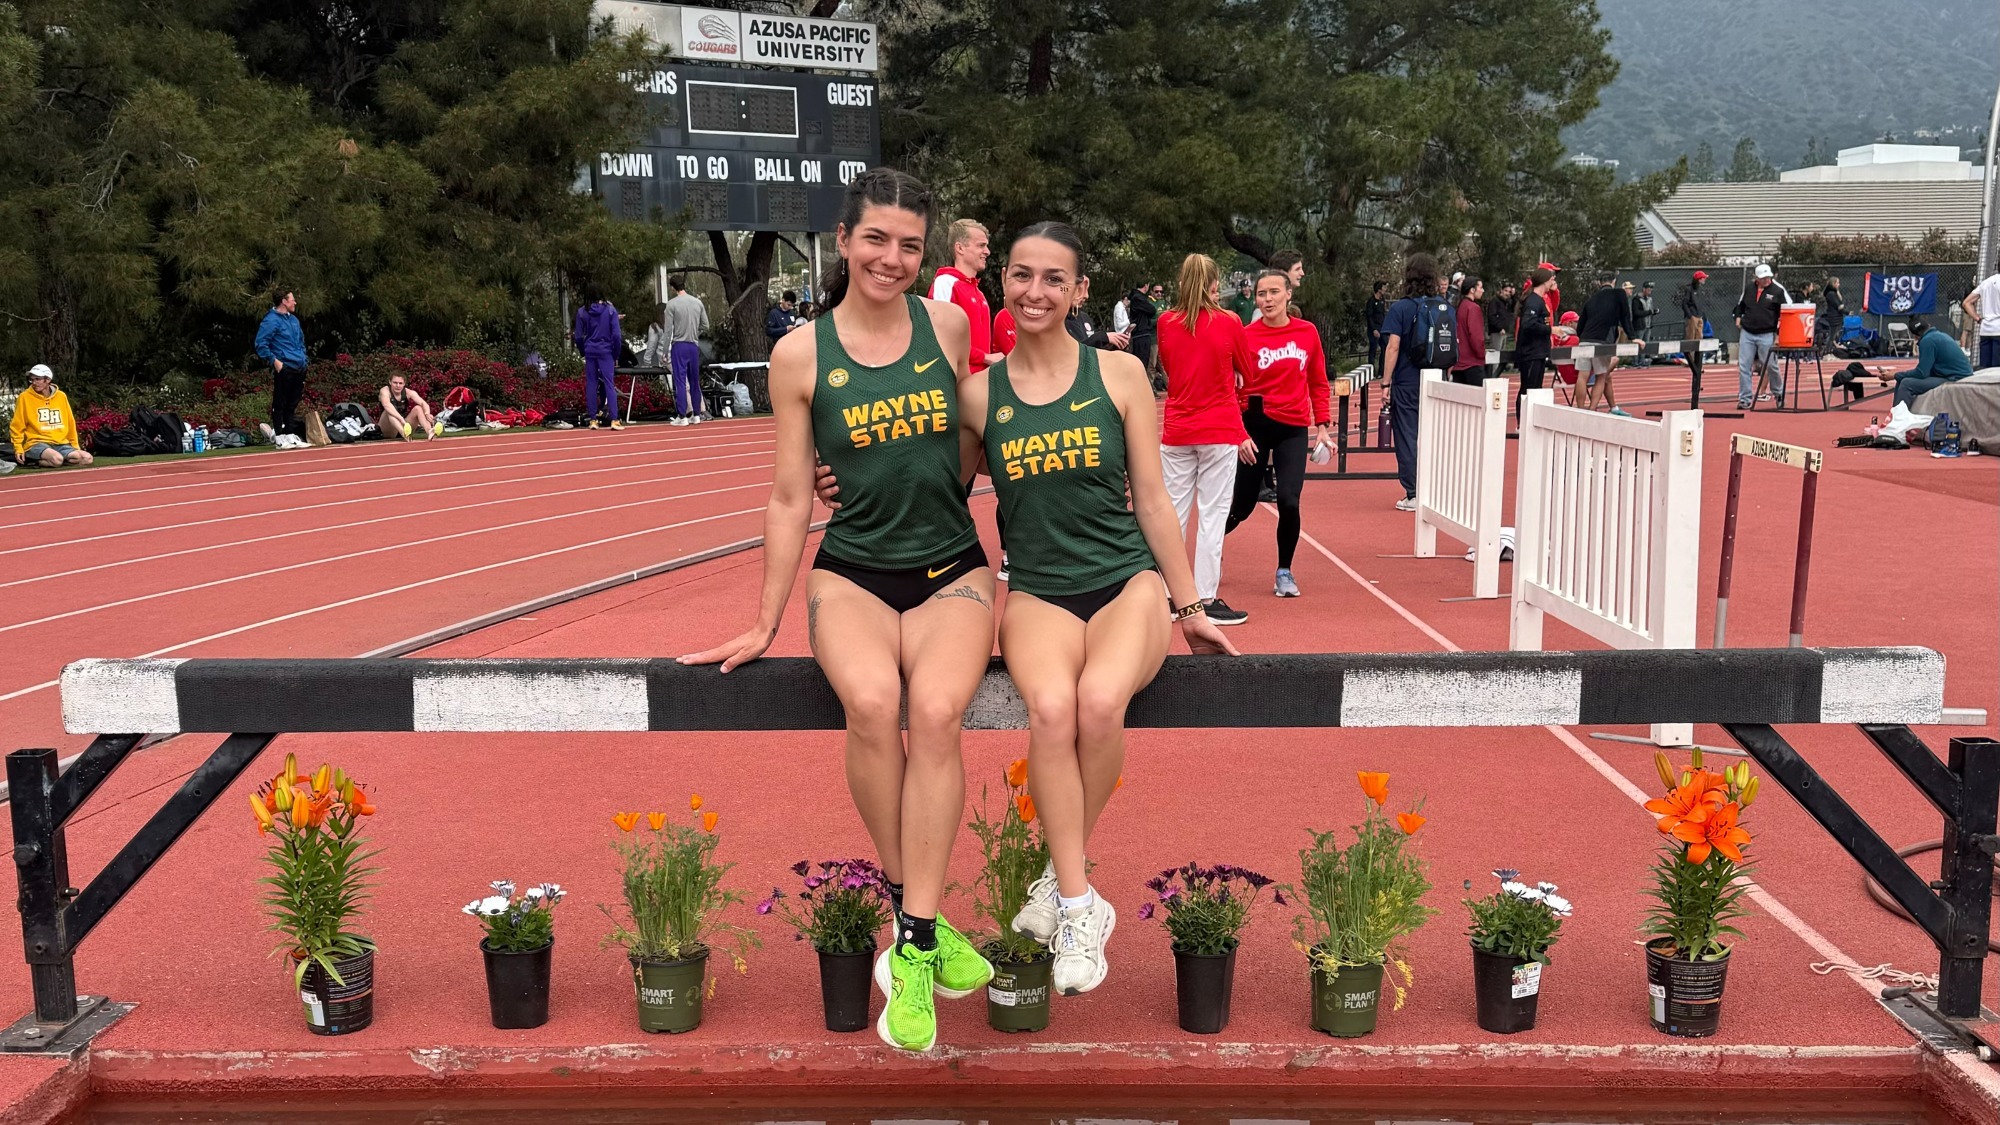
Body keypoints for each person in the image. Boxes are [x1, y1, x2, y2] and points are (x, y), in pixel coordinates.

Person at [680, 168, 995, 1053]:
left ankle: (917, 946)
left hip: (952, 570)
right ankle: (920, 916)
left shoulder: (948, 325)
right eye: (875, 240)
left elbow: (971, 433)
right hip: (851, 570)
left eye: (909, 244)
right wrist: (764, 618)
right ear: (844, 241)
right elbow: (788, 498)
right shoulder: (801, 356)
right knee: (871, 703)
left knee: (936, 712)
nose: (892, 258)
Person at [971, 221, 1237, 996]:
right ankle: (1081, 897)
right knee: (1050, 709)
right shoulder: (980, 394)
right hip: (1039, 589)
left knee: (1097, 700)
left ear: (1080, 291)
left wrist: (1189, 604)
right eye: (1021, 275)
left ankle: (1064, 893)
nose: (1035, 291)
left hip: (1127, 583)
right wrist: (838, 484)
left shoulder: (1118, 376)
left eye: (1055, 279)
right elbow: (931, 489)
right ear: (1004, 284)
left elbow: (1154, 501)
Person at [1157, 253, 1254, 625]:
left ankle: (1170, 594)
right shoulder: (1229, 322)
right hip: (1219, 428)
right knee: (1212, 514)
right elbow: (1248, 370)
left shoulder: (1166, 322)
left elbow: (1168, 365)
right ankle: (1206, 597)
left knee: (1173, 514)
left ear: (1182, 282)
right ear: (1215, 285)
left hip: (1179, 428)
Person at [1225, 269, 1330, 597]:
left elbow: (1317, 380)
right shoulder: (1245, 335)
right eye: (1261, 293)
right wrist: (1238, 432)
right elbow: (1232, 387)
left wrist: (1323, 428)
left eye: (1273, 292)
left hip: (1292, 430)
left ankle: (1284, 571)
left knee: (1288, 499)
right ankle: (1202, 555)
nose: (1267, 299)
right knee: (1241, 507)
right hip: (1254, 428)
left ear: (1288, 295)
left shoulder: (1307, 333)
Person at [1378, 252, 1448, 510]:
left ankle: (1414, 491)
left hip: (1407, 381)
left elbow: (1392, 347)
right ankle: (1436, 488)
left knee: (1407, 436)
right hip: (1436, 380)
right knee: (1434, 435)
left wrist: (1386, 383)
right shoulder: (1442, 306)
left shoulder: (1400, 308)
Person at [930, 220, 1003, 374]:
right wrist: (985, 357)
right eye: (981, 245)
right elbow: (942, 338)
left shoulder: (980, 293)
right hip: (954, 384)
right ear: (960, 248)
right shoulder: (945, 283)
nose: (987, 251)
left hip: (979, 383)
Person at [8, 364, 90, 470]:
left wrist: (74, 444)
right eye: (32, 380)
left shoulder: (61, 396)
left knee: (87, 458)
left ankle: (55, 461)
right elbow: (17, 425)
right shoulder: (24, 397)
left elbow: (69, 422)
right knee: (57, 459)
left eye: (38, 379)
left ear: (48, 380)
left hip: (60, 443)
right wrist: (18, 447)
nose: (34, 382)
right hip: (36, 443)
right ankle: (33, 461)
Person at [255, 288, 309, 440]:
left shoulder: (294, 320)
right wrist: (275, 361)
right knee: (280, 402)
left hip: (299, 366)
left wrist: (304, 359)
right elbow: (261, 344)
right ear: (284, 301)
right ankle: (279, 433)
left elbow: (301, 341)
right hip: (284, 366)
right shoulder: (271, 320)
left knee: (293, 402)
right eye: (292, 299)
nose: (295, 302)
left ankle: (290, 433)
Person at [1734, 264, 1789, 409]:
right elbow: (1741, 305)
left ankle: (1779, 394)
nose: (1766, 280)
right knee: (1744, 366)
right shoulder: (1749, 288)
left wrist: (1778, 335)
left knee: (1771, 365)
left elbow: (1783, 315)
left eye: (1768, 277)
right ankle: (1745, 398)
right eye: (1763, 278)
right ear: (1757, 279)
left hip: (1766, 333)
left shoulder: (1777, 291)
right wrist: (1738, 317)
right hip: (1747, 332)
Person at [1577, 271, 1633, 415]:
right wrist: (1633, 337)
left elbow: (1580, 325)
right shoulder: (1619, 294)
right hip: (1602, 340)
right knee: (1601, 376)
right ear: (1614, 281)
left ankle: (1579, 409)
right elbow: (1625, 316)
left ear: (1599, 282)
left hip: (1585, 339)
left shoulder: (1591, 299)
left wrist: (1582, 338)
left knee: (1582, 376)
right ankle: (1591, 409)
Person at [1886, 318, 1973, 406]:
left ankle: (1900, 417)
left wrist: (1894, 375)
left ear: (1915, 336)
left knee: (1906, 384)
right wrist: (1898, 376)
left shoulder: (1927, 341)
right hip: (1955, 375)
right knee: (1902, 379)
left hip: (1956, 378)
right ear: (1929, 325)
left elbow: (1921, 373)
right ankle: (1897, 411)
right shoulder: (1938, 335)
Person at [572, 290, 624, 429]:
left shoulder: (582, 312)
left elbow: (578, 336)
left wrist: (583, 351)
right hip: (606, 350)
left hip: (590, 350)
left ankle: (593, 419)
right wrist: (616, 354)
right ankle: (614, 419)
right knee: (609, 383)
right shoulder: (610, 310)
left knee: (591, 384)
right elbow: (617, 336)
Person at [665, 275, 709, 426]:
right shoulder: (697, 302)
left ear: (672, 287)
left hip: (679, 345)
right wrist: (695, 333)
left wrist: (665, 351)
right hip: (693, 345)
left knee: (680, 381)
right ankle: (697, 414)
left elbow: (667, 331)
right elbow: (706, 325)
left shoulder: (671, 305)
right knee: (694, 381)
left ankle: (682, 415)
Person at [1513, 268, 1556, 421]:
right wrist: (1551, 329)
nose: (1553, 281)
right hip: (1530, 352)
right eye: (1551, 278)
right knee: (1527, 389)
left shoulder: (1539, 300)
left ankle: (1529, 421)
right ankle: (1521, 422)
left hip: (1538, 352)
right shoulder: (1533, 301)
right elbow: (1528, 325)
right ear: (1544, 281)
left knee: (1535, 389)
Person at [1450, 277, 1488, 387]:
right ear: (1472, 290)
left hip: (1459, 362)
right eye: (1480, 287)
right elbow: (1476, 336)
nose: (1482, 290)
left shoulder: (1460, 306)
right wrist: (1481, 354)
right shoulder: (1473, 308)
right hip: (1472, 363)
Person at [377, 373, 439, 440]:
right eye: (395, 383)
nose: (398, 385)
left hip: (404, 425)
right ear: (390, 382)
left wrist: (427, 413)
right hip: (388, 429)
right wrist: (401, 419)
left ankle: (430, 431)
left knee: (418, 408)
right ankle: (404, 434)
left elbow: (423, 403)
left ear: (404, 384)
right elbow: (386, 405)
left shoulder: (408, 392)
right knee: (389, 411)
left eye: (400, 383)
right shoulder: (385, 391)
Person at [1961, 270, 2000, 369]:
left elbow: (1966, 303)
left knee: (1985, 369)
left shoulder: (1986, 282)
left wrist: (1977, 318)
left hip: (1985, 330)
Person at [1125, 283, 1159, 379]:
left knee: (1144, 364)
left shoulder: (1137, 298)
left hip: (1141, 333)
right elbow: (1152, 310)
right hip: (1141, 334)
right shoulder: (1138, 298)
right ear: (1146, 286)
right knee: (1141, 364)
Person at [1363, 280, 1388, 375]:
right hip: (1374, 328)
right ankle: (1371, 372)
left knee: (1384, 347)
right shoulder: (1371, 301)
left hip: (1382, 327)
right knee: (1373, 349)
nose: (1385, 290)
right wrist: (1373, 329)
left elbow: (1383, 314)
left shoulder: (1382, 300)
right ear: (1378, 289)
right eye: (1383, 287)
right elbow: (1369, 316)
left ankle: (1382, 371)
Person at [1631, 281, 1658, 366]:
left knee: (1646, 344)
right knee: (1638, 343)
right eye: (1648, 290)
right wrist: (1650, 312)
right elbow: (1636, 313)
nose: (1650, 292)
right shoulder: (1636, 299)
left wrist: (1654, 312)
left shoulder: (1650, 299)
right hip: (1640, 325)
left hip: (1648, 325)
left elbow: (1650, 310)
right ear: (1644, 289)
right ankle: (1635, 361)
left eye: (1651, 290)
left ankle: (1642, 361)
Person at [1816, 277, 1846, 353]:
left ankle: (1829, 350)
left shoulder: (1834, 293)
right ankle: (1827, 351)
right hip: (1833, 317)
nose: (1839, 285)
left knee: (1834, 334)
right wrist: (1840, 306)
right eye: (1837, 283)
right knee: (1832, 335)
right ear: (1833, 284)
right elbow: (1838, 304)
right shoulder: (1831, 294)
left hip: (1837, 316)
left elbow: (1840, 301)